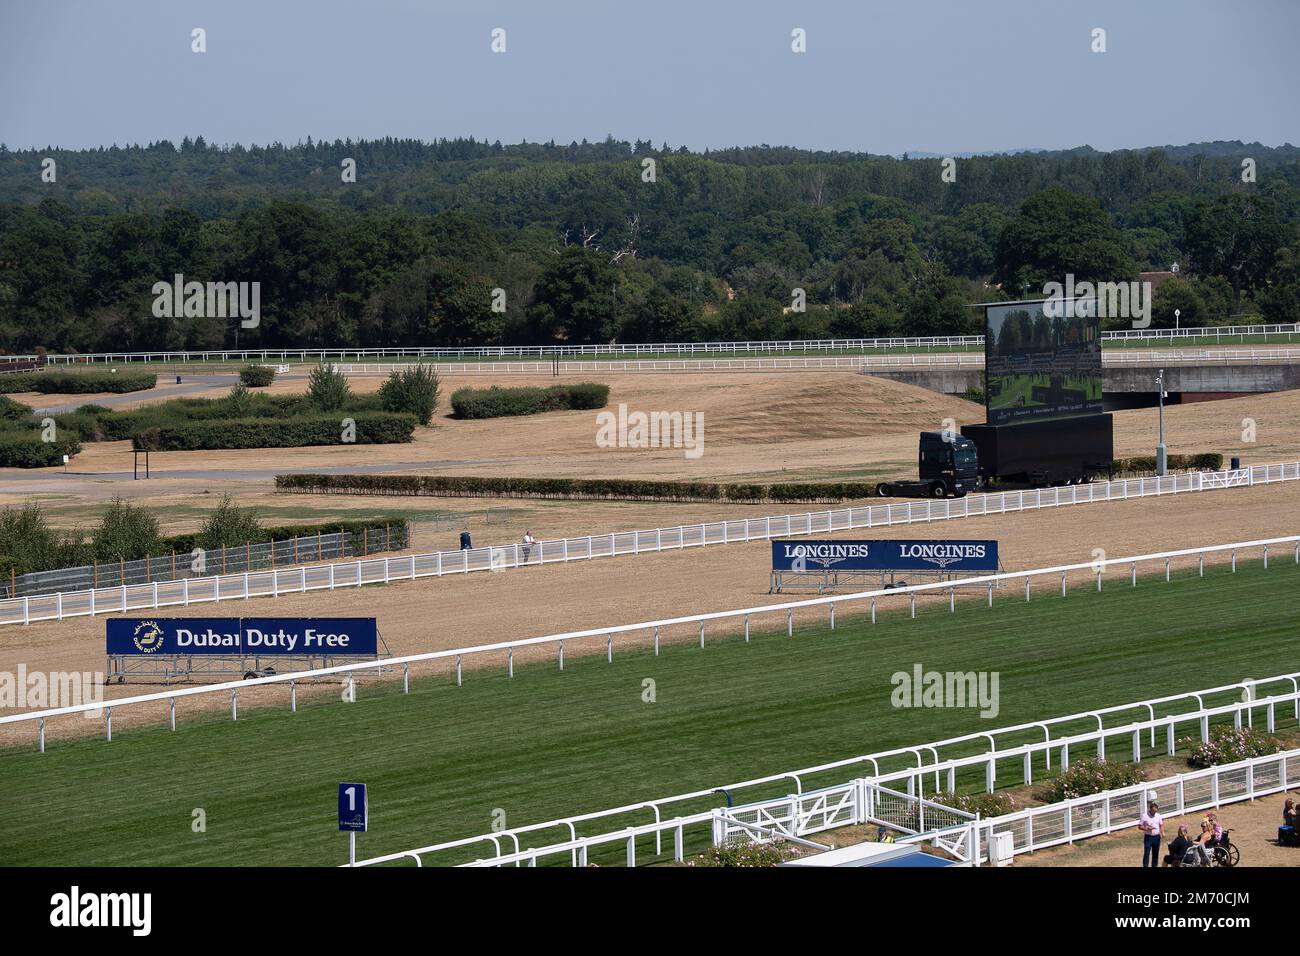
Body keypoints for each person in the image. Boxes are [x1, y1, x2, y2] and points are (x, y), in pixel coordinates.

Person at [1138, 799, 1163, 867]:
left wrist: (1162, 832)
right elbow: (1139, 826)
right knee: (1147, 853)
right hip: (1148, 837)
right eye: (1153, 811)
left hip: (1157, 837)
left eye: (1155, 811)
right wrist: (1146, 828)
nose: (1154, 813)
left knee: (1155, 853)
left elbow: (1161, 824)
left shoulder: (1158, 815)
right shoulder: (1144, 816)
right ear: (1150, 809)